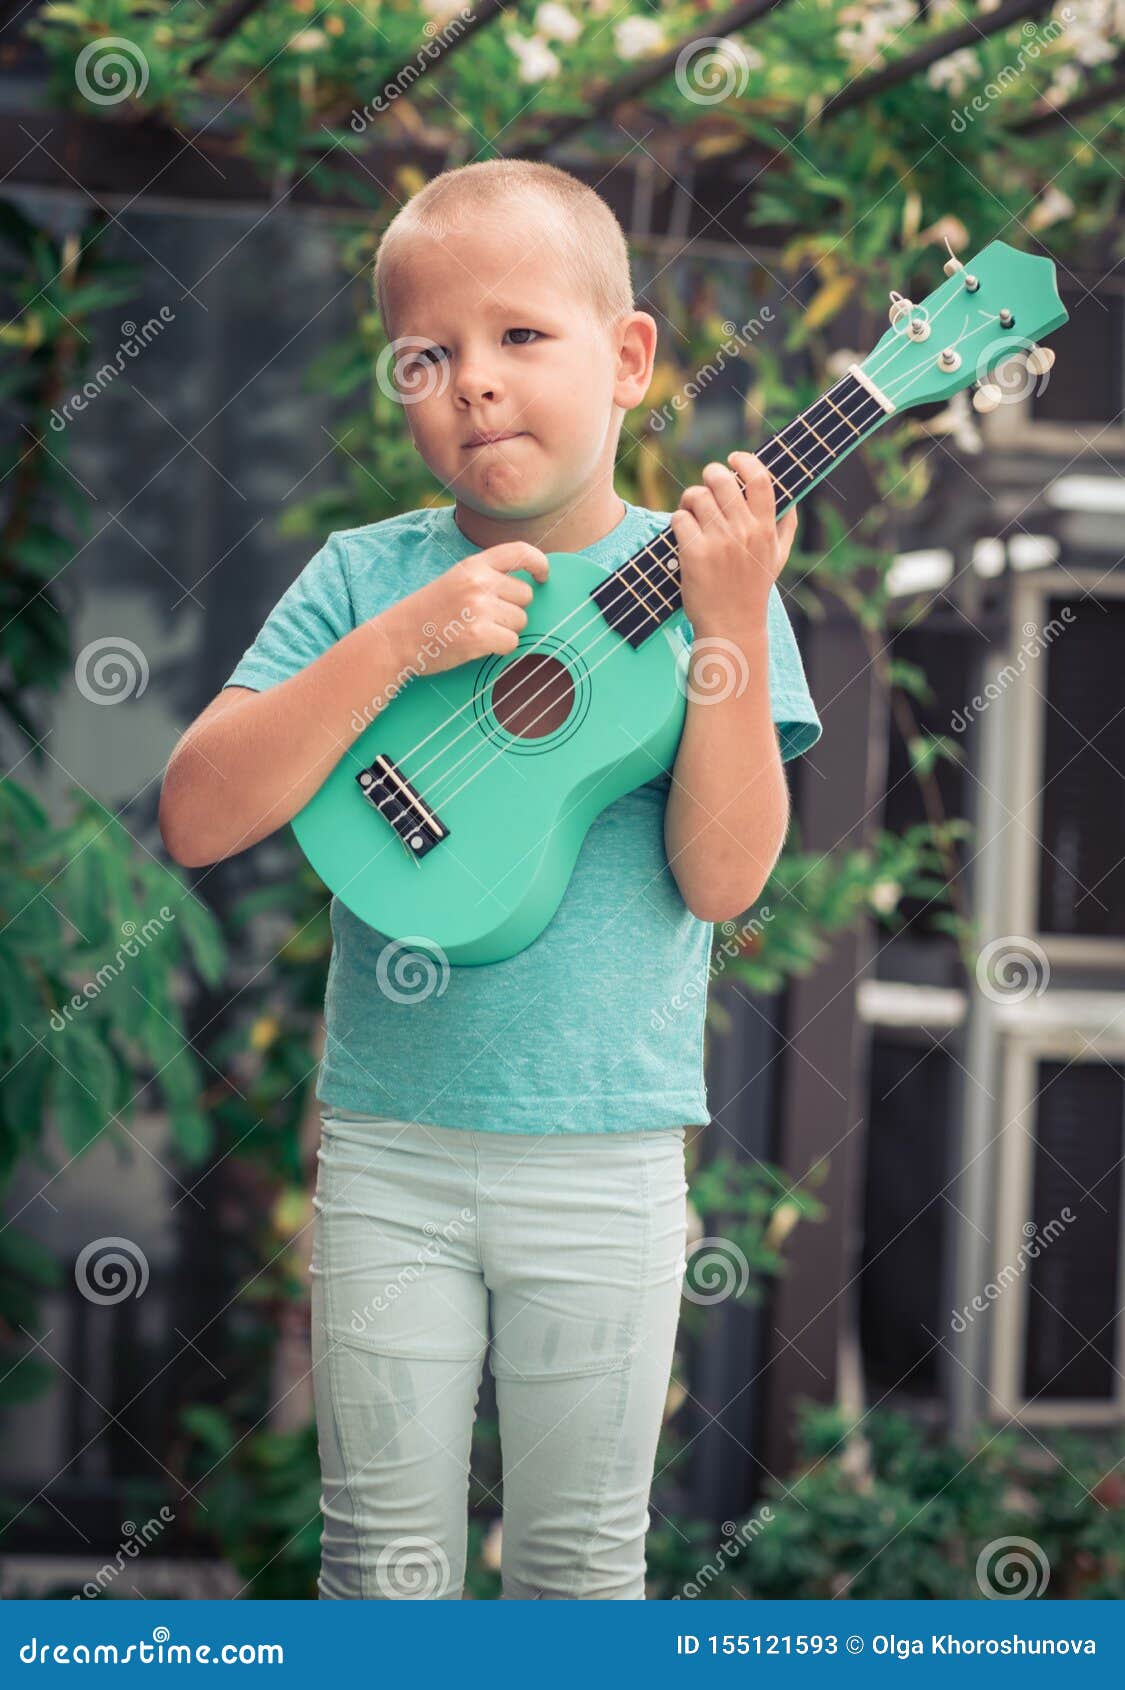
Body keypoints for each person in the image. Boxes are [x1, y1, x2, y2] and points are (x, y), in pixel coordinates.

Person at [158, 157, 822, 1600]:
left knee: (580, 1562)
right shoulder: (363, 576)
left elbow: (721, 876)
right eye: (428, 354)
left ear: (629, 357)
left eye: (520, 336)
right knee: (379, 1559)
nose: (473, 382)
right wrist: (399, 644)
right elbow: (199, 816)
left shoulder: (712, 576)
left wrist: (731, 626)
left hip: (606, 1155)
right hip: (390, 1145)